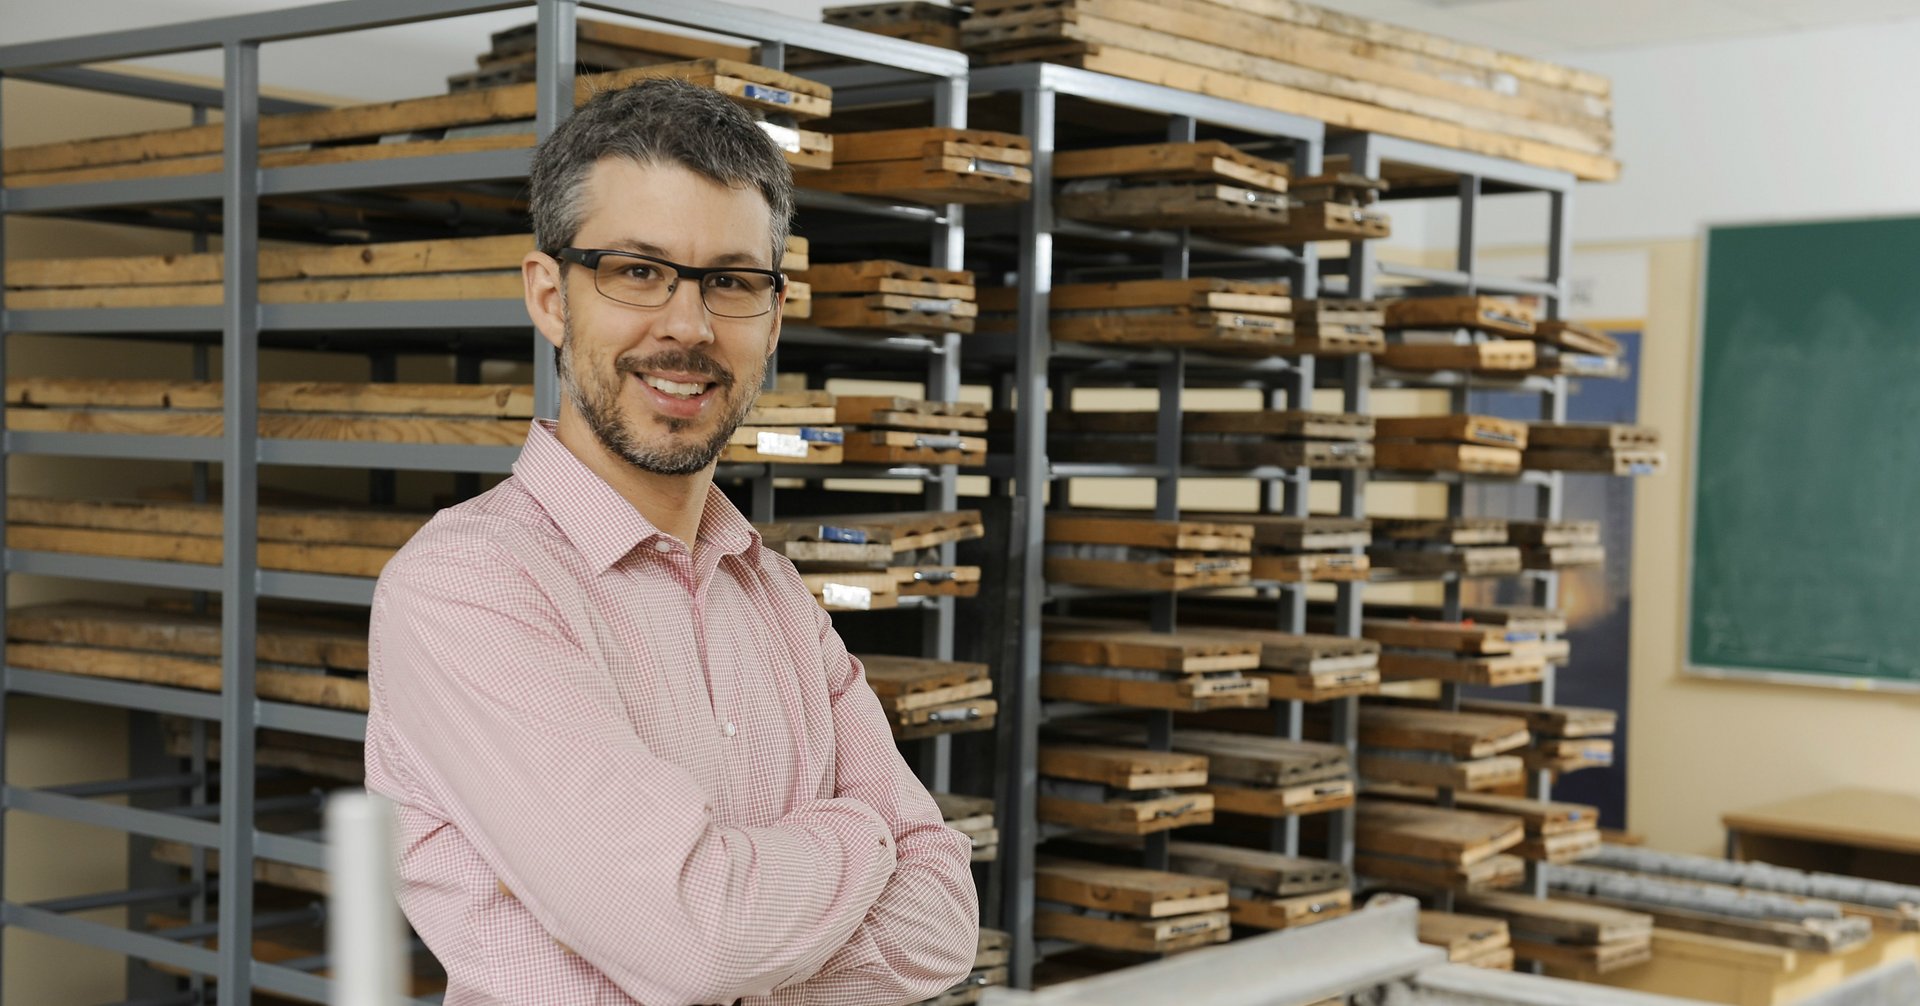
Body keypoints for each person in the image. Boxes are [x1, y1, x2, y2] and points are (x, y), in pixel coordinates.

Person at [363, 79, 979, 1005]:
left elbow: (944, 925)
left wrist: (755, 922)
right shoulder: (467, 589)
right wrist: (870, 835)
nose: (687, 327)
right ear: (550, 296)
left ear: (773, 316)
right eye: (638, 271)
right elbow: (698, 939)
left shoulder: (772, 593)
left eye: (731, 281)